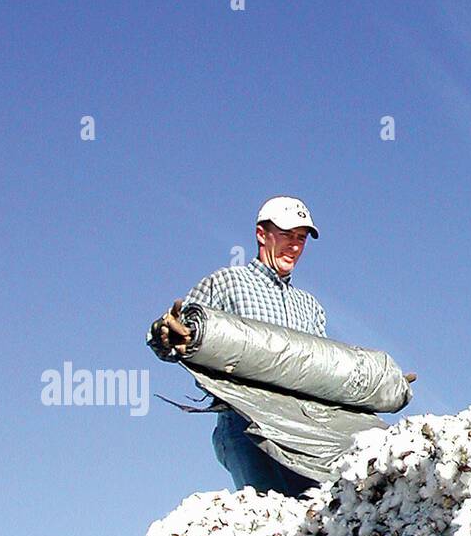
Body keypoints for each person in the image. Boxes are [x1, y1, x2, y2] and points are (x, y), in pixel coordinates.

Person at [148, 195, 415, 497]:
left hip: (303, 430)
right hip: (245, 423)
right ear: (262, 234)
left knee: (315, 516)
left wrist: (376, 382)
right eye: (287, 235)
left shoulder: (309, 306)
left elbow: (321, 371)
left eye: (301, 238)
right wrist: (165, 337)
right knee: (268, 513)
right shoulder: (226, 283)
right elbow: (183, 330)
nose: (295, 246)